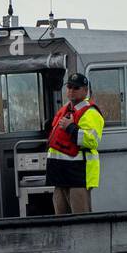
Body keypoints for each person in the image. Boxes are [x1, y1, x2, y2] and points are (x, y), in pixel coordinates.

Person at [46, 72, 105, 214]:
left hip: (78, 176)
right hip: (60, 176)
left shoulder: (91, 113)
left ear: (85, 90)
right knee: (61, 220)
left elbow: (92, 141)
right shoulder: (65, 110)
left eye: (76, 88)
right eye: (69, 87)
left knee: (80, 220)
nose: (71, 90)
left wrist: (71, 127)